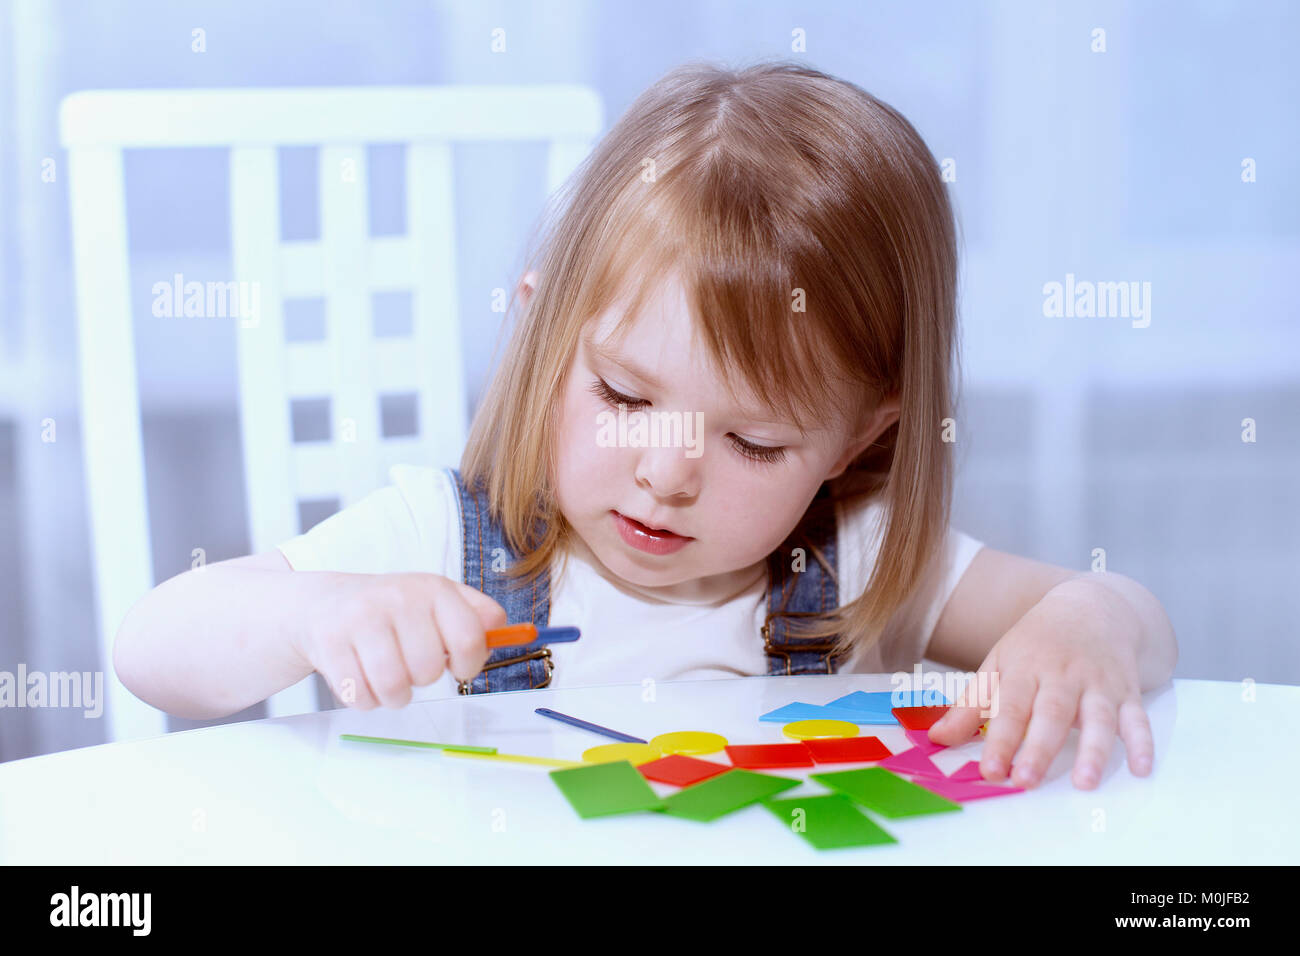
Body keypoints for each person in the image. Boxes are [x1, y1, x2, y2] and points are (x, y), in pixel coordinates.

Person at [114, 60, 1176, 792]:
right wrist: (312, 612)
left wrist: (1084, 629)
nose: (665, 473)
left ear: (856, 440)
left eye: (754, 444)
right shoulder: (449, 542)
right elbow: (152, 649)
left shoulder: (854, 557)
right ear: (542, 332)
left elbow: (1130, 617)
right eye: (623, 395)